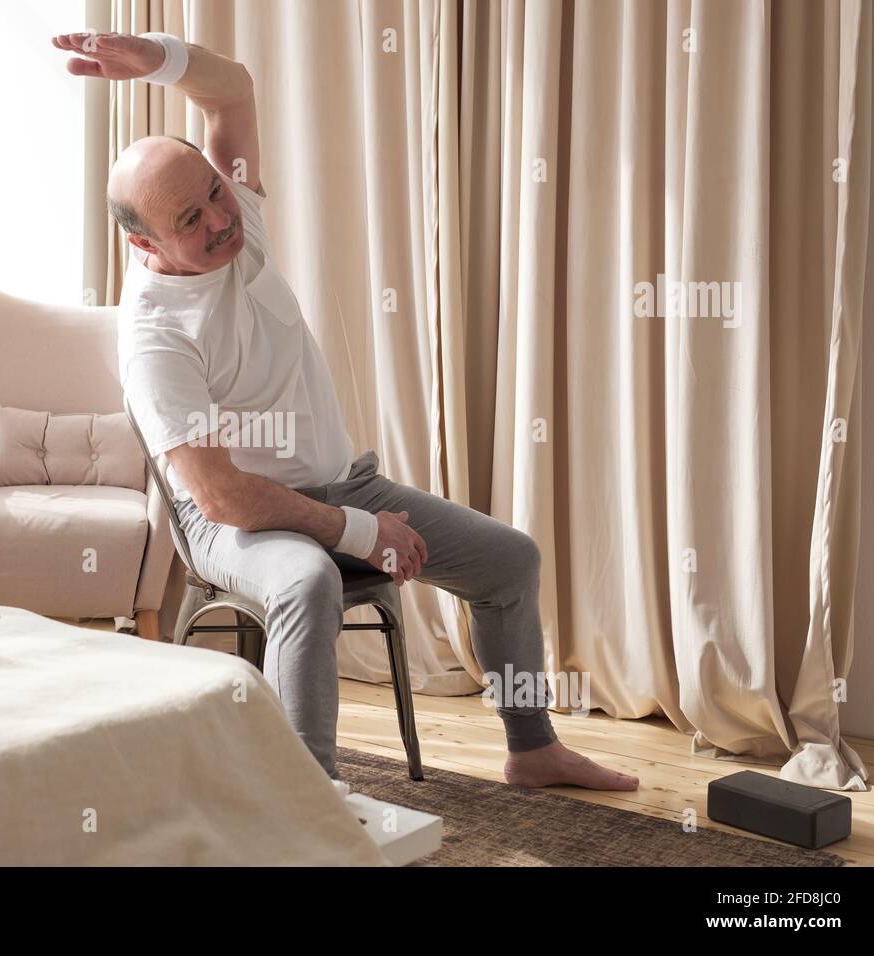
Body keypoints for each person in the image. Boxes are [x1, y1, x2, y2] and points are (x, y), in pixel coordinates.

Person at [53, 29, 638, 791]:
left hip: (344, 483)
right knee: (307, 581)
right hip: (233, 523)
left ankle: (531, 749)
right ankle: (312, 799)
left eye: (215, 195)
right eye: (190, 222)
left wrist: (157, 58)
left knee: (510, 562)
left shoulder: (236, 224)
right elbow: (219, 495)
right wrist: (363, 534)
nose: (220, 220)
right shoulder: (155, 334)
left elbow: (231, 91)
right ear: (142, 245)